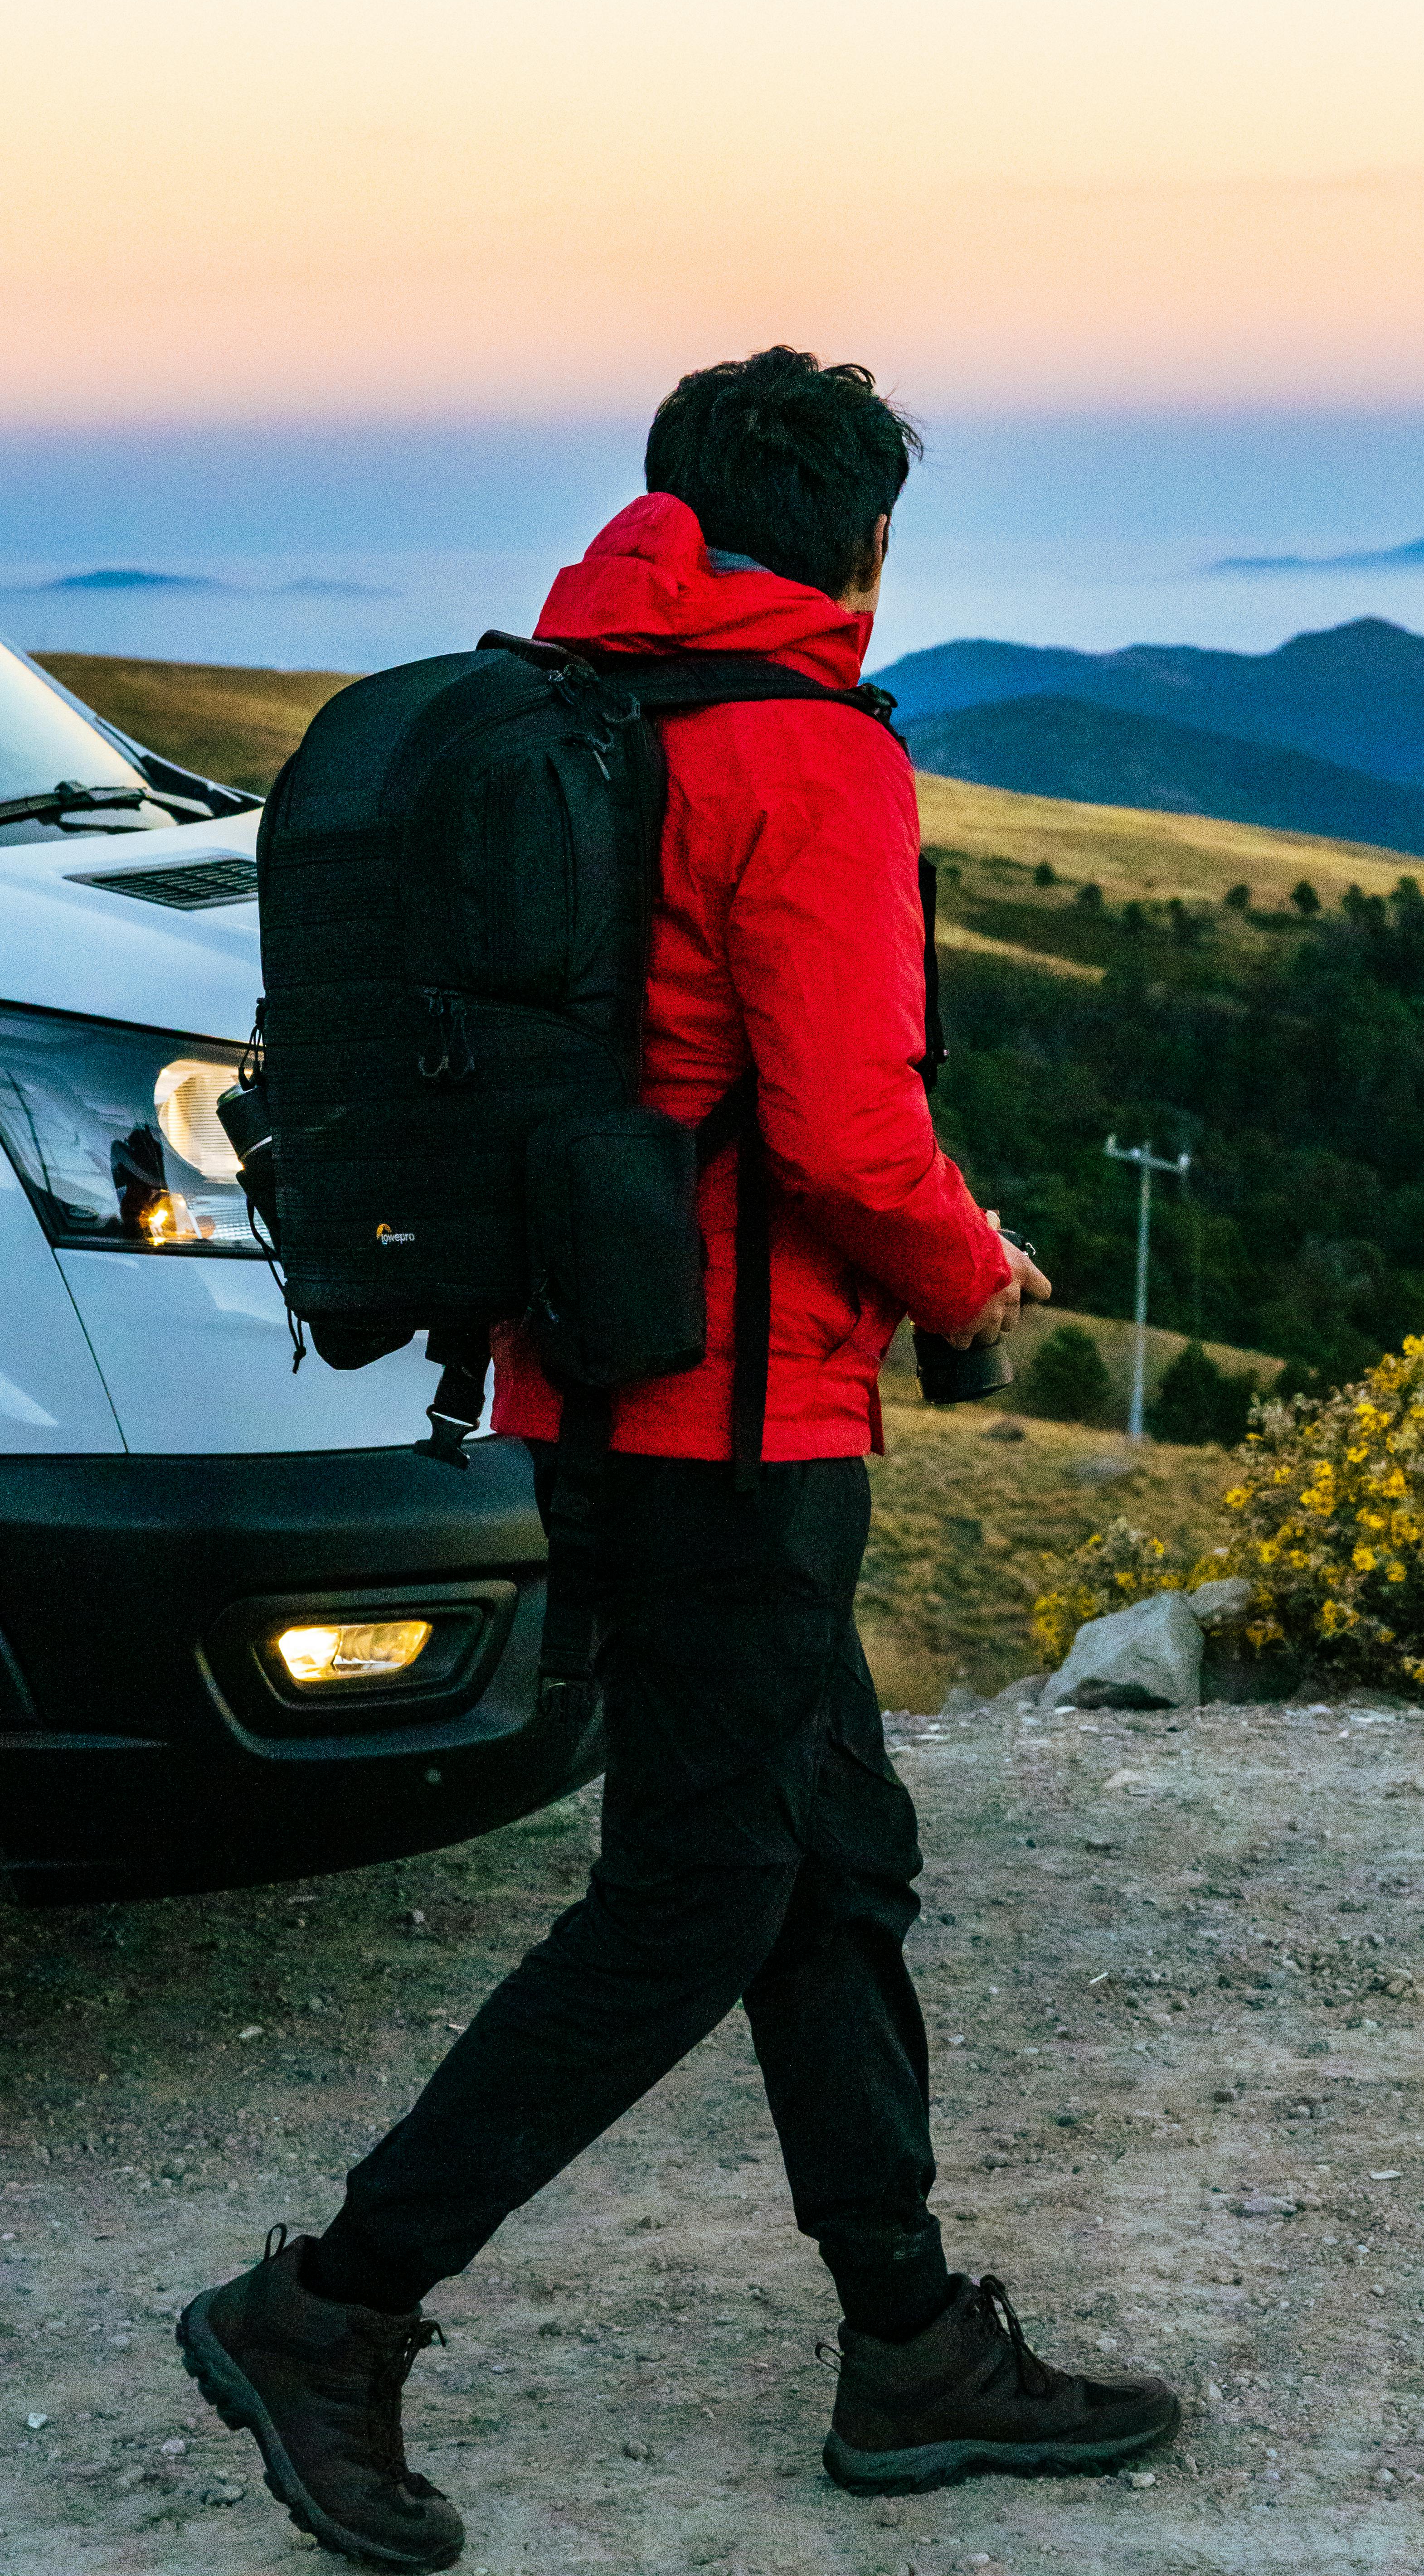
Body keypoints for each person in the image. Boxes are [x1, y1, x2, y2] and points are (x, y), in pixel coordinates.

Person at [178, 347, 1179, 2569]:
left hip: (583, 1387)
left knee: (827, 1859)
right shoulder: (803, 751)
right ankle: (328, 2308)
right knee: (702, 1890)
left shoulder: (578, 719)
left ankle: (908, 2340)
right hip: (742, 1418)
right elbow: (843, 1126)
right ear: (866, 542)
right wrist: (970, 1276)